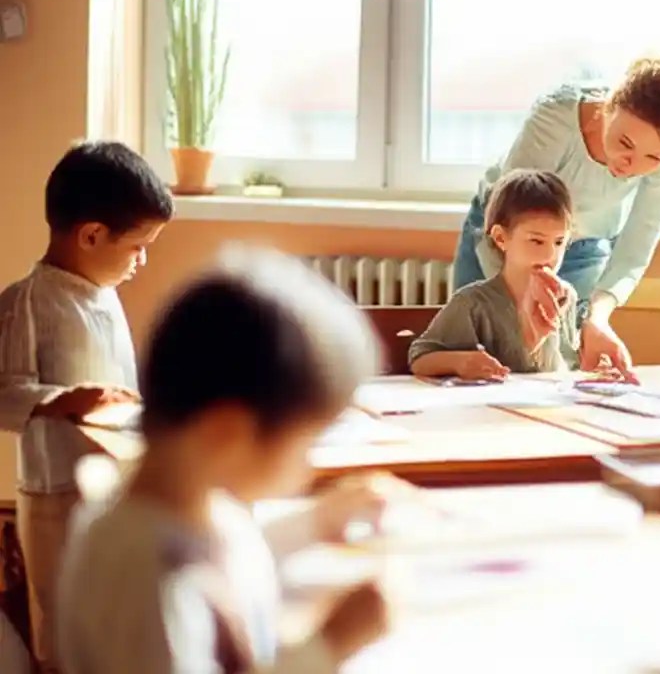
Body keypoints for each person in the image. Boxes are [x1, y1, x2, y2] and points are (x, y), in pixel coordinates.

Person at [57, 245, 394, 673]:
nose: (308, 466)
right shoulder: (146, 581)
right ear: (227, 433)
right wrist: (330, 645)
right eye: (306, 444)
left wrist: (317, 521)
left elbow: (230, 555)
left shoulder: (186, 503)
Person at [0, 141, 172, 672]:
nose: (142, 261)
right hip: (55, 492)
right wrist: (59, 400)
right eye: (138, 247)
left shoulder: (105, 292)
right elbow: (4, 394)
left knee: (106, 611)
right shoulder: (27, 302)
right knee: (59, 613)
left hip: (109, 485)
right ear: (92, 235)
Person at [452, 55, 660, 382]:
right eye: (625, 143)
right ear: (608, 108)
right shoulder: (557, 118)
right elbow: (509, 210)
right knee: (477, 354)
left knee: (558, 368)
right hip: (503, 234)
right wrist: (521, 298)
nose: (631, 164)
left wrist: (597, 320)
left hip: (584, 245)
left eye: (653, 158)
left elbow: (636, 246)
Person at [411, 169, 578, 378]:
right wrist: (459, 362)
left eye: (559, 242)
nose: (550, 255)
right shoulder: (472, 304)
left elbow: (569, 365)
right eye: (536, 241)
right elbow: (420, 359)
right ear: (500, 238)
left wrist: (596, 369)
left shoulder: (566, 297)